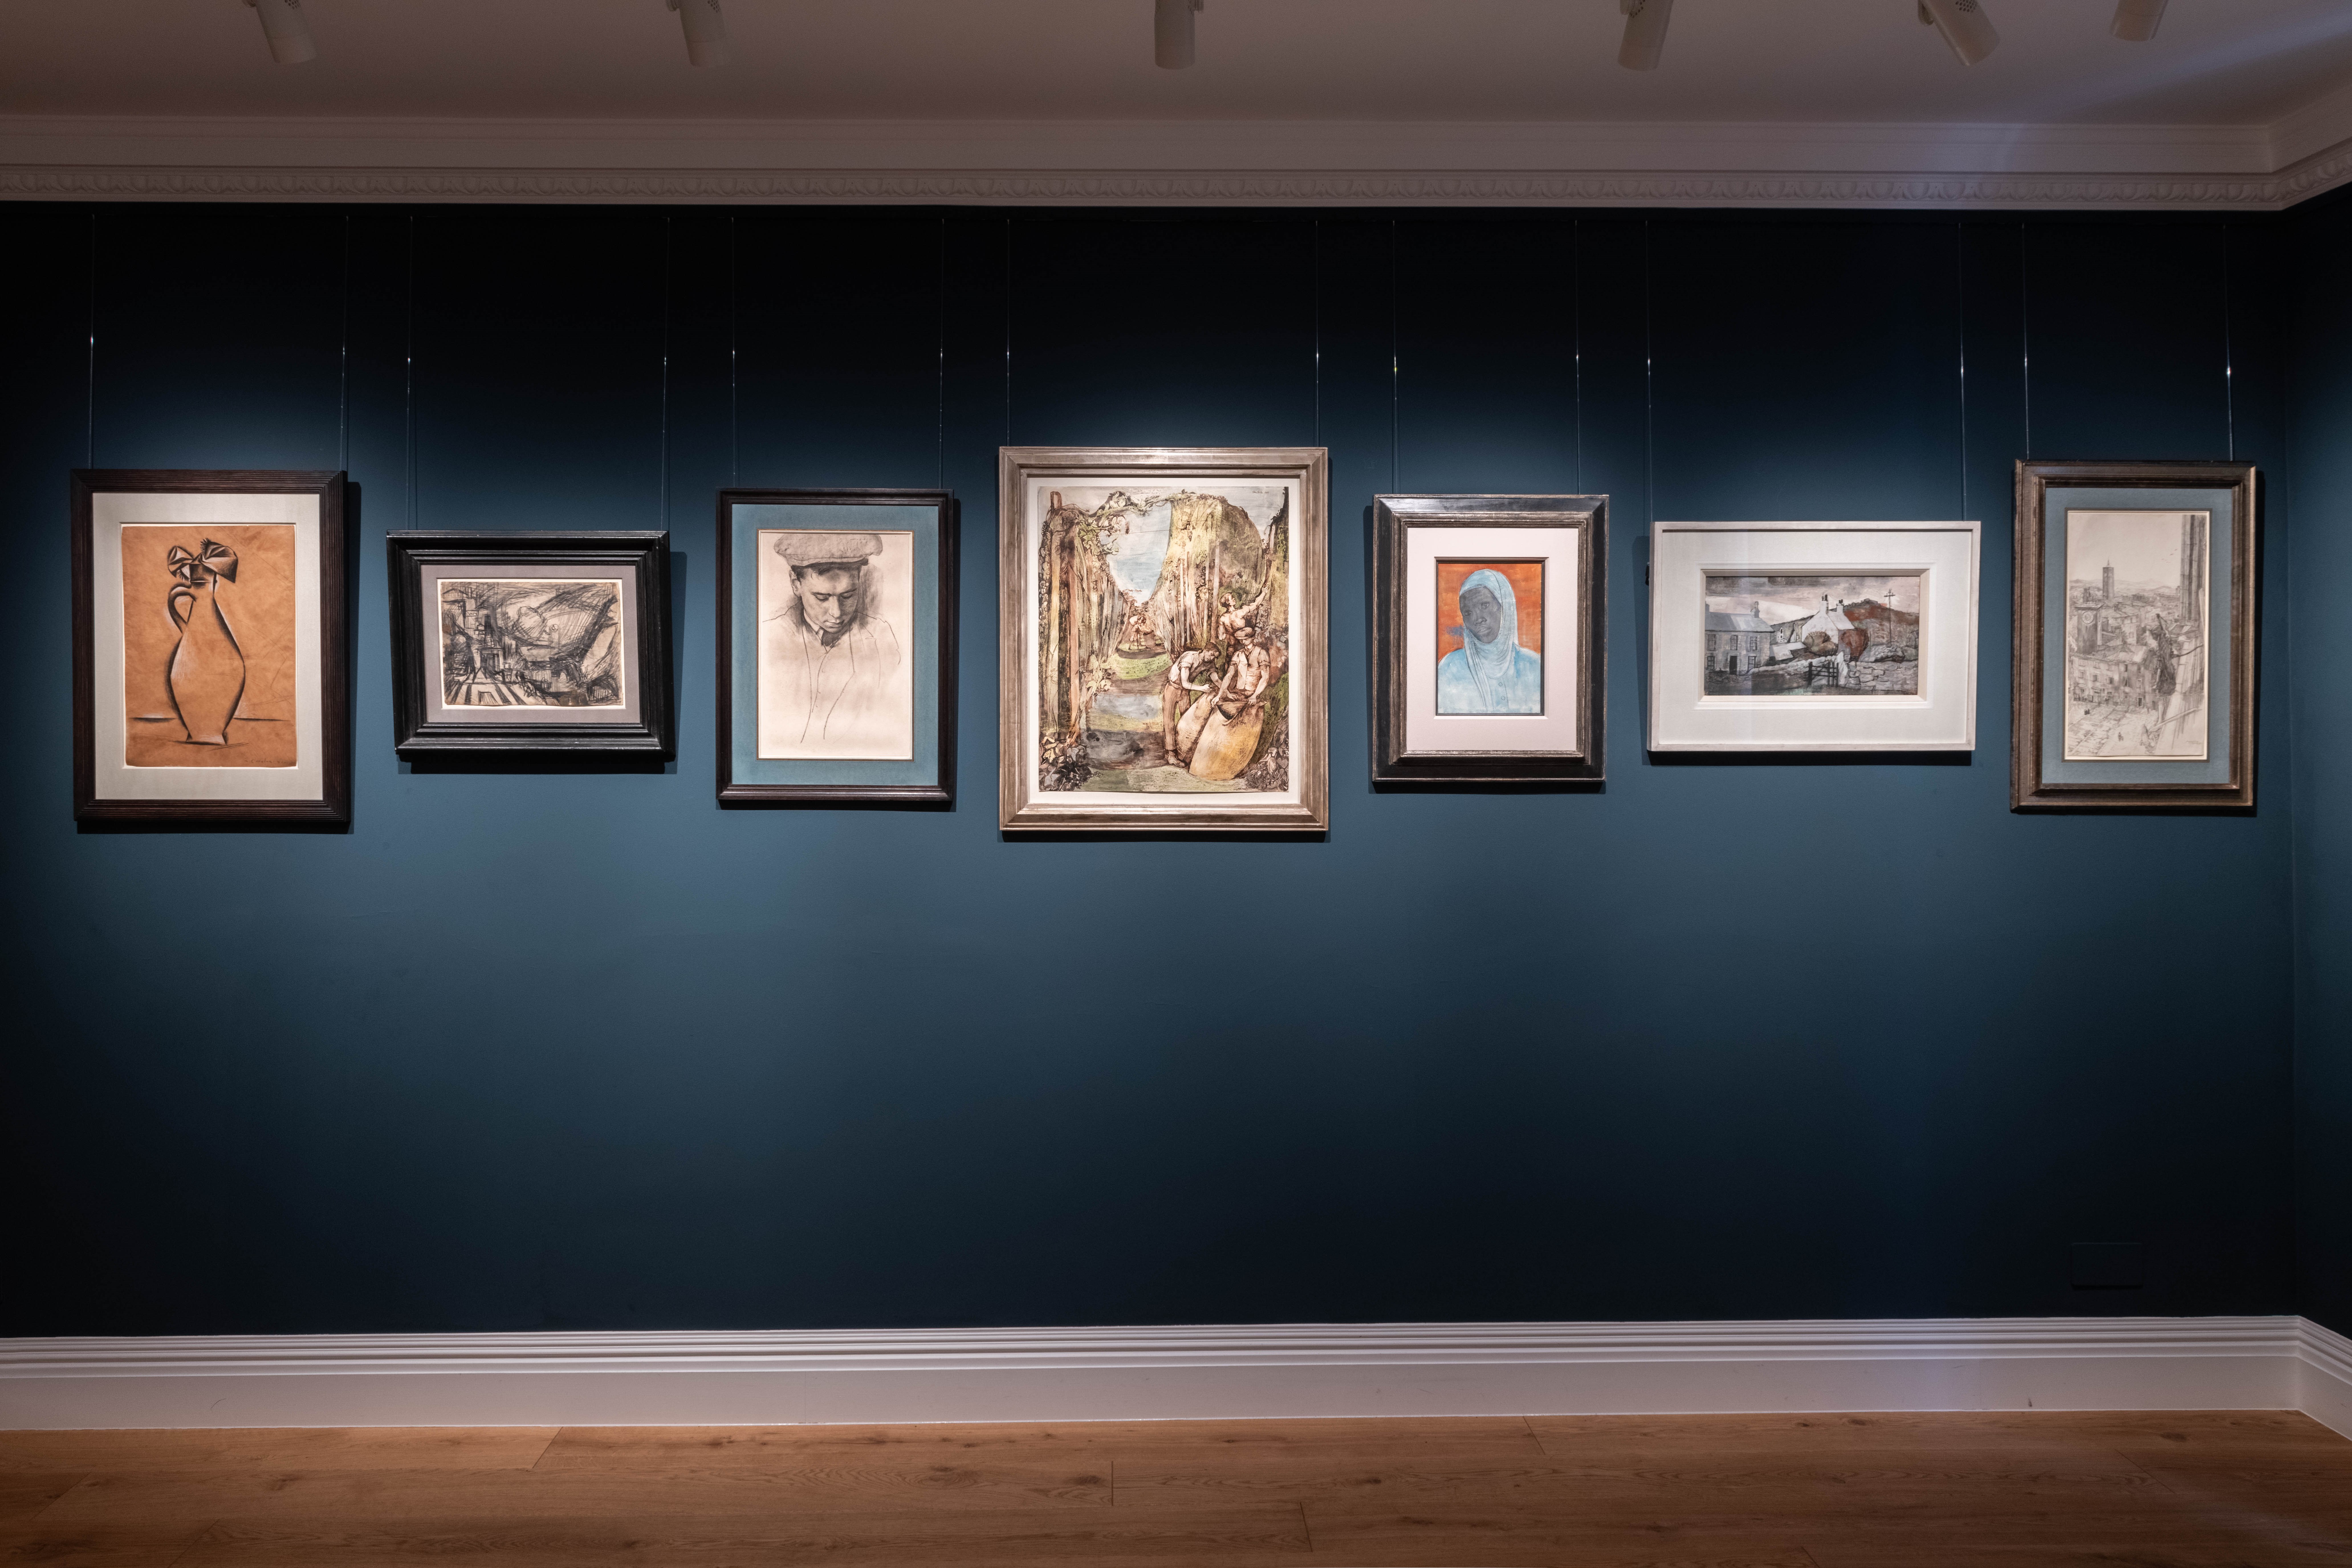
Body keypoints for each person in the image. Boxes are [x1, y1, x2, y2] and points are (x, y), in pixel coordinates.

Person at [761, 530, 904, 756]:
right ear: (795, 584)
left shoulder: (881, 638)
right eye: (822, 598)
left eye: (848, 596)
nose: (837, 613)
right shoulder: (769, 637)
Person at [1435, 568, 1541, 714]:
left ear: (1505, 606)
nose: (1477, 619)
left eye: (1484, 606)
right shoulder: (1450, 668)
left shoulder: (1535, 666)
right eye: (1468, 613)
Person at [1190, 622, 1283, 782]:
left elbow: (1265, 677)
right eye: (1241, 640)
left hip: (1253, 698)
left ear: (1253, 638)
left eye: (1246, 639)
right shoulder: (1238, 655)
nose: (1243, 642)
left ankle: (1236, 768)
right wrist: (1220, 695)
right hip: (1239, 695)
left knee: (1245, 734)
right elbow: (1229, 676)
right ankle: (1207, 766)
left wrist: (1255, 695)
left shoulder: (1262, 654)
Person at [1162, 646, 1216, 764]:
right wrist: (1202, 688)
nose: (1212, 658)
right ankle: (1171, 755)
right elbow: (1185, 683)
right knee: (1169, 722)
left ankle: (1184, 753)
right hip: (1173, 689)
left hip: (1185, 693)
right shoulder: (1189, 657)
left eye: (1214, 657)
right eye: (1211, 655)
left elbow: (1216, 680)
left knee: (1187, 722)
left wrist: (1225, 692)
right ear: (1205, 650)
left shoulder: (1209, 663)